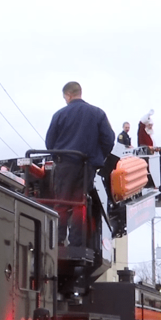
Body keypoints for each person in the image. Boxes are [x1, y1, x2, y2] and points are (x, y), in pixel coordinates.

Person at [46, 81, 114, 247]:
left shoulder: (59, 115)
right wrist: (96, 158)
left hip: (64, 165)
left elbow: (50, 142)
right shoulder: (98, 113)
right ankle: (77, 243)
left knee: (61, 203)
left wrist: (58, 157)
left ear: (68, 95)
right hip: (86, 166)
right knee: (79, 203)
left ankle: (58, 239)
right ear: (79, 93)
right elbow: (109, 140)